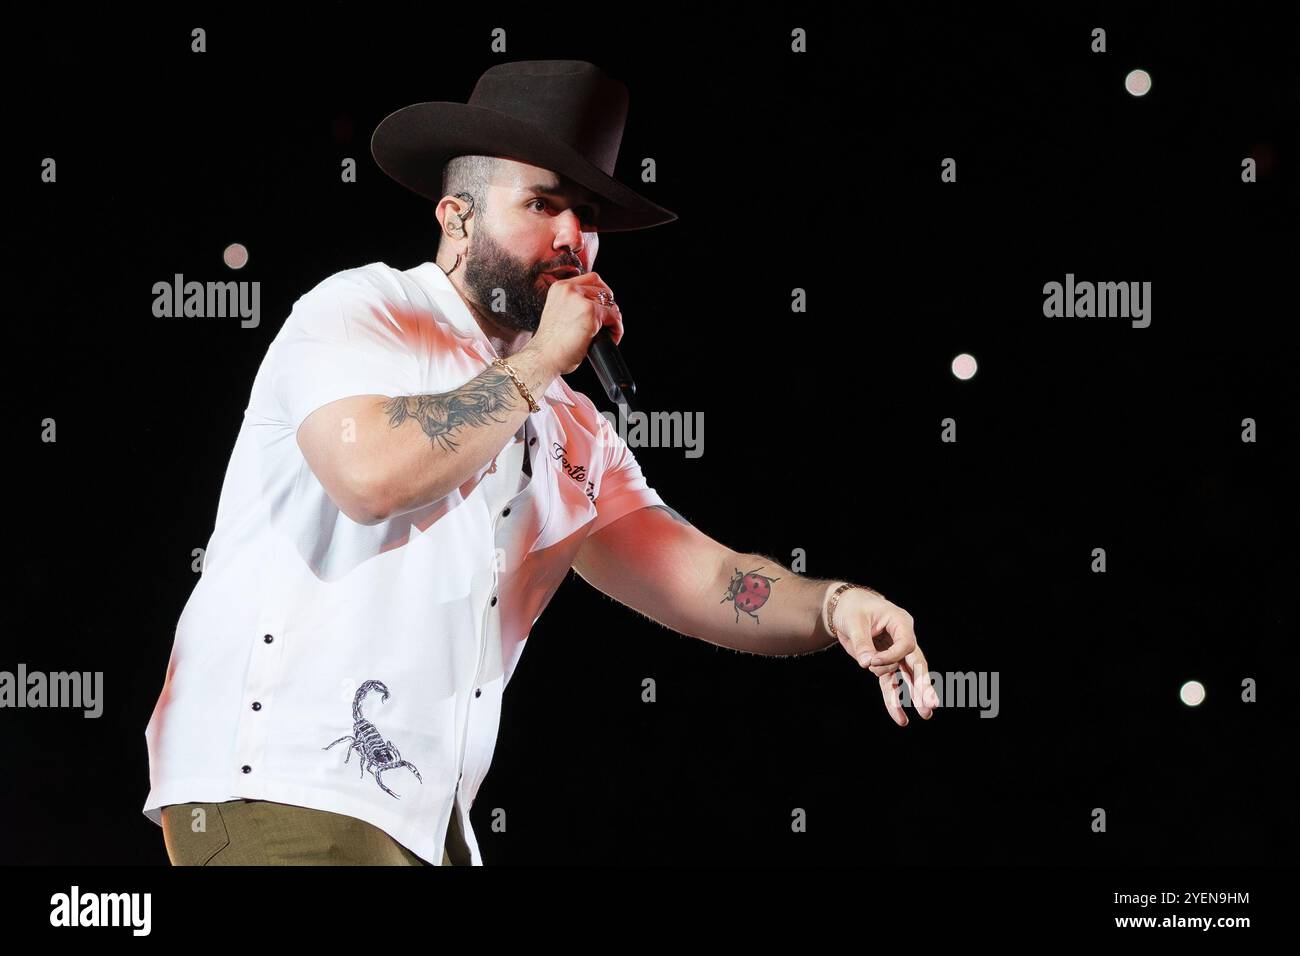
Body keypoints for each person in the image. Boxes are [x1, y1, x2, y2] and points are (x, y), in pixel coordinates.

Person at [143, 60, 935, 866]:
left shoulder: (569, 421)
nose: (572, 239)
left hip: (430, 821)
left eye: (585, 214)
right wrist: (543, 360)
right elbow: (370, 476)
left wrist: (834, 606)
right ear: (456, 217)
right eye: (542, 204)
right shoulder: (365, 312)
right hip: (281, 779)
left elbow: (704, 580)